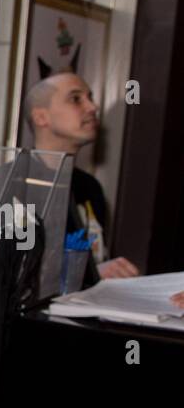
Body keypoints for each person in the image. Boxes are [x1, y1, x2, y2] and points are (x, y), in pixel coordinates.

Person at [22, 72, 184, 305]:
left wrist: (102, 274)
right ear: (41, 117)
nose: (92, 107)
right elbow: (8, 274)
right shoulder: (15, 183)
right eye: (76, 99)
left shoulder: (89, 187)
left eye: (90, 98)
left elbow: (93, 255)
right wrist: (89, 274)